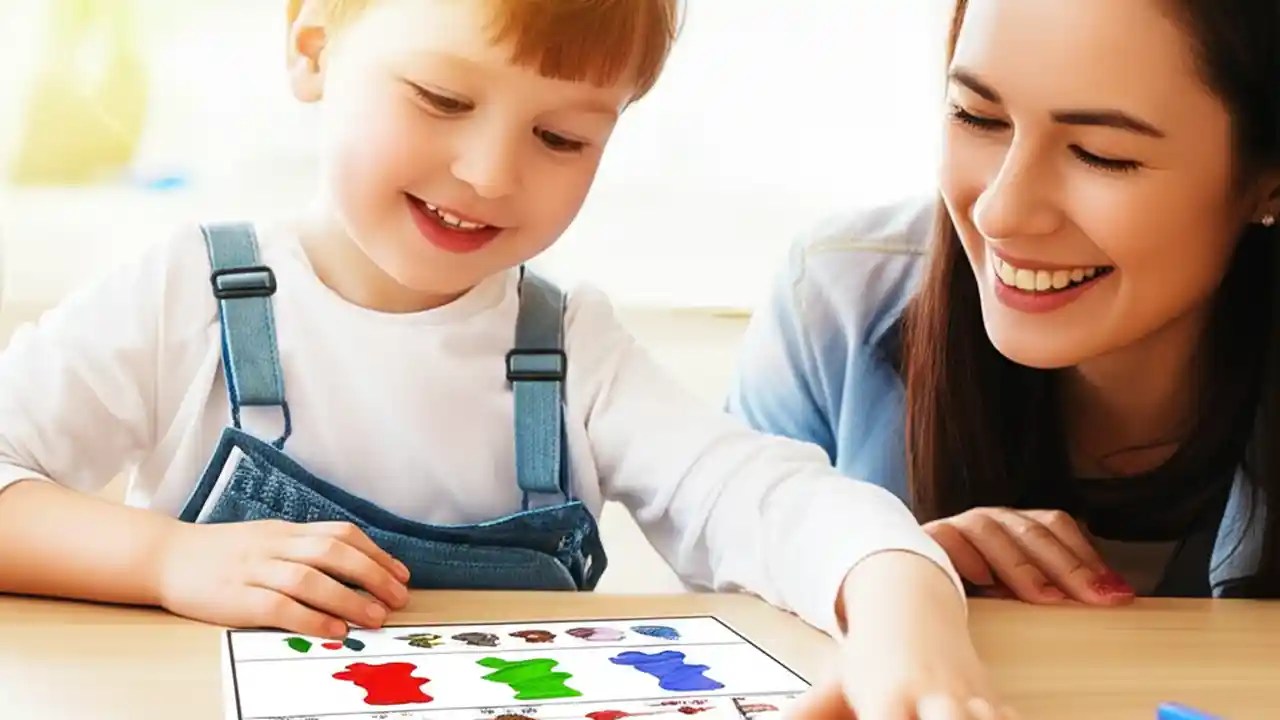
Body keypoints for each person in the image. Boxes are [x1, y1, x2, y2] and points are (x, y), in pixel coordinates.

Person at [0, 1, 1007, 717]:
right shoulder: (182, 298)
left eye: (562, 137)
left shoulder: (573, 352)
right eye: (440, 97)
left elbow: (774, 504)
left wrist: (901, 610)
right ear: (311, 48)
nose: (488, 172)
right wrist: (169, 559)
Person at [731, 0, 1280, 606]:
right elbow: (729, 624)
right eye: (976, 116)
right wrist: (876, 571)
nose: (999, 211)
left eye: (1101, 153)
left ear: (1267, 179)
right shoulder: (838, 301)